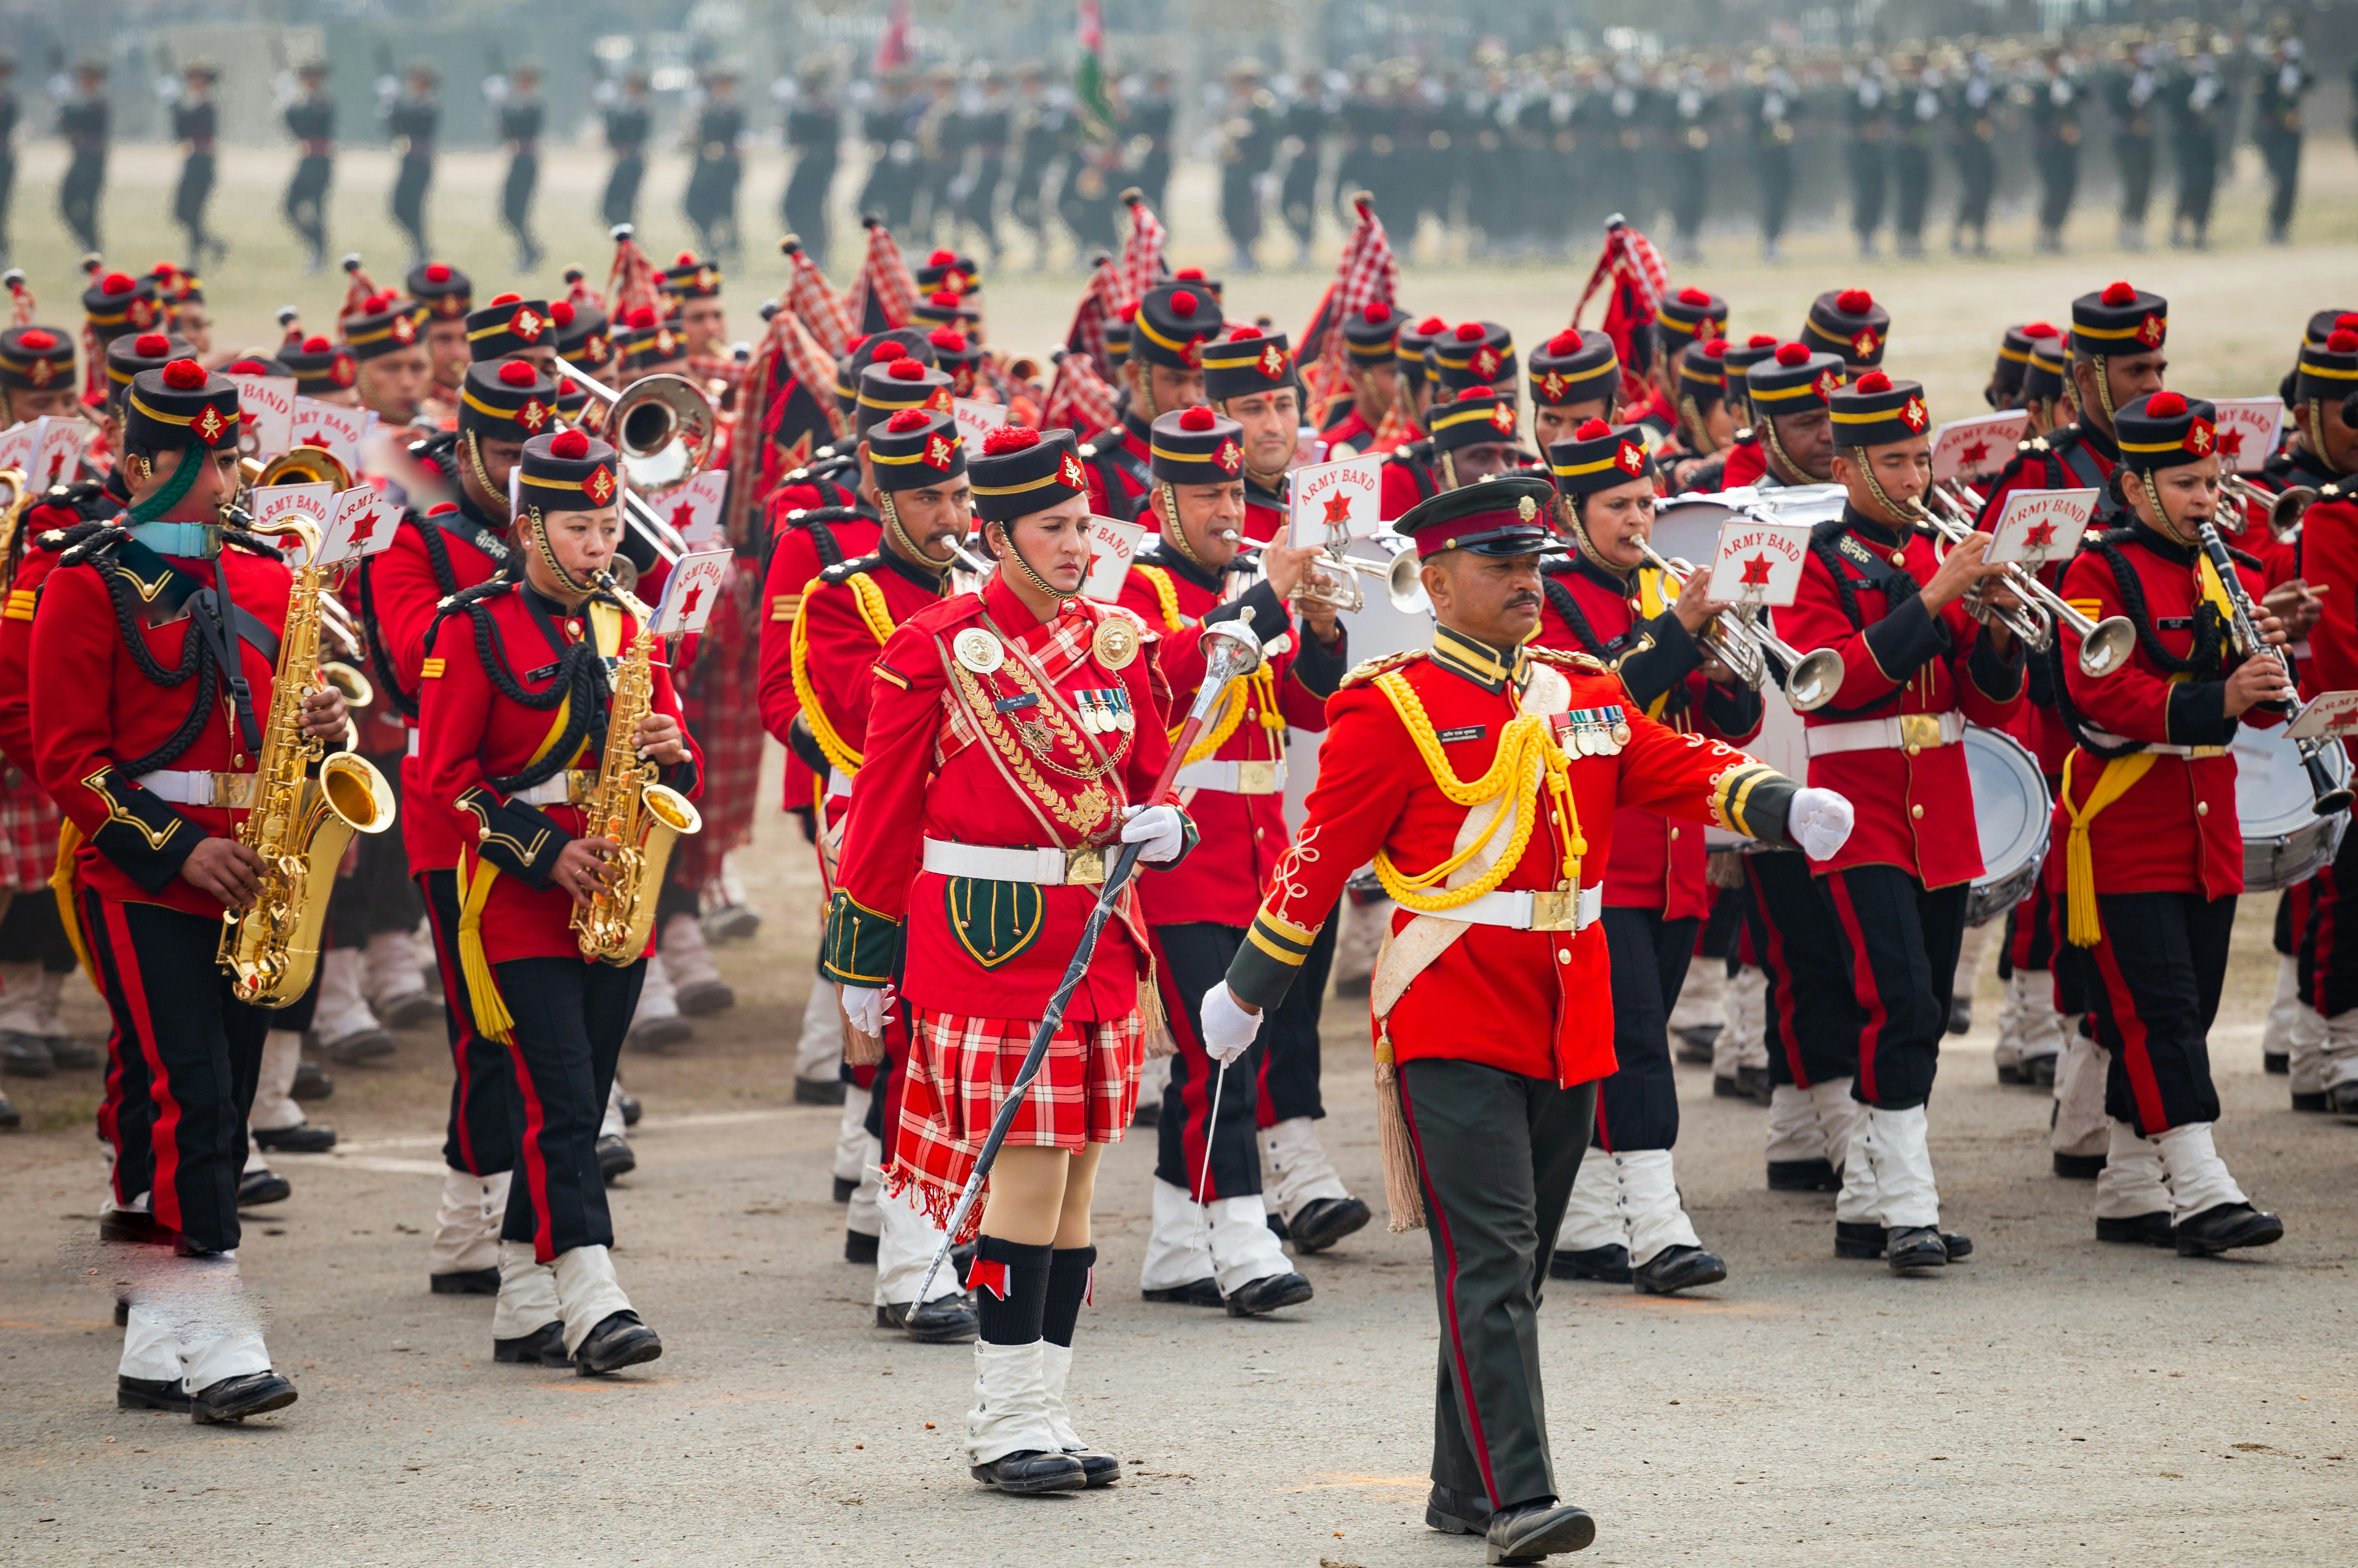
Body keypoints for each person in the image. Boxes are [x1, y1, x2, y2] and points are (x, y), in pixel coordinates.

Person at [1196, 472, 1850, 1560]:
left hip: (1568, 1004)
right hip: (1449, 1003)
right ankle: (1519, 1499)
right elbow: (1316, 863)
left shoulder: (1580, 683)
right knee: (1492, 1258)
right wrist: (1247, 990)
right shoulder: (1388, 702)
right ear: (1436, 582)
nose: (1525, 585)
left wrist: (1775, 800)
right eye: (1500, 569)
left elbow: (1663, 763)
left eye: (1532, 566)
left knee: (1514, 1263)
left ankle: (1460, 1487)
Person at [822, 424, 1193, 1494]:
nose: (1078, 545)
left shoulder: (1117, 639)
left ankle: (1048, 1405)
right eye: (1054, 528)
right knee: (1024, 1186)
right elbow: (883, 818)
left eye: (1083, 524)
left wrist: (1168, 827)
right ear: (995, 535)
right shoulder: (934, 644)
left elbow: (1141, 779)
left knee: (1077, 1190)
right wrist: (861, 956)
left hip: (1096, 948)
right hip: (984, 943)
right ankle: (1002, 1417)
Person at [34, 359, 349, 1421]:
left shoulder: (266, 577)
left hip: (256, 872)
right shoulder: (87, 581)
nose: (225, 478)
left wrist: (321, 731)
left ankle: (157, 1341)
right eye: (198, 461)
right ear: (137, 466)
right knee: (193, 1095)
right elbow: (67, 761)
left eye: (227, 455)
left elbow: (270, 721)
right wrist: (175, 849)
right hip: (143, 878)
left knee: (219, 1101)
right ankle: (218, 1332)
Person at [416, 425, 699, 1373]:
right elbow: (446, 780)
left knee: (573, 1093)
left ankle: (523, 1296)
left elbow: (678, 753)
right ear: (527, 527)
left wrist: (675, 749)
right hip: (519, 893)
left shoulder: (627, 621)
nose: (601, 544)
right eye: (580, 526)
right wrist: (543, 850)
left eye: (611, 523)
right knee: (567, 1099)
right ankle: (592, 1288)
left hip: (618, 884)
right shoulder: (473, 624)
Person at [1777, 369, 2024, 1272]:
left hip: (1940, 802)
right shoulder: (1815, 558)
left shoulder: (1936, 555)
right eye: (1895, 460)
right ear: (1846, 467)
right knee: (1900, 996)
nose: (1917, 477)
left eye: (1923, 458)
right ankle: (1908, 1204)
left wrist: (1995, 629)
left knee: (1923, 999)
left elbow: (1987, 702)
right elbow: (1832, 677)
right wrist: (1936, 599)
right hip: (1858, 804)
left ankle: (1863, 1203)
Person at [1115, 404, 1355, 1313]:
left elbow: (1301, 708)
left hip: (1258, 853)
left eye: (1230, 489)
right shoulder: (1132, 588)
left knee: (1222, 1046)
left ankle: (1178, 1244)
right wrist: (1265, 598)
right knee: (1222, 1049)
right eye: (1205, 492)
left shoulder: (1256, 580)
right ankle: (1246, 1236)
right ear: (1160, 500)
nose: (1226, 508)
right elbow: (1170, 672)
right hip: (1180, 855)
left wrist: (1323, 632)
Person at [2050, 390, 2288, 1254]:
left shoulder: (2224, 570)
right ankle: (2200, 1186)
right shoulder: (2095, 572)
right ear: (2133, 483)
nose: (2206, 500)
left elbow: (2249, 714)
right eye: (2185, 482)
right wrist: (2216, 694)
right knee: (2164, 1011)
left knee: (2187, 1002)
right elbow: (2101, 694)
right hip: (2124, 817)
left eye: (2213, 482)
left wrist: (2267, 672)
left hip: (2205, 821)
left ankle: (2128, 1181)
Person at [1538, 421, 1764, 1294]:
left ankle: (1589, 1218)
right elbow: (1594, 692)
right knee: (1634, 1038)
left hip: (1673, 852)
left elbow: (1733, 727)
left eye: (1645, 503)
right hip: (1600, 848)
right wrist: (1679, 631)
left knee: (1635, 1031)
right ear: (1572, 512)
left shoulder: (1667, 586)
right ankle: (1659, 1225)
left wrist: (1732, 656)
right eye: (1618, 507)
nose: (1638, 521)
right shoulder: (1552, 596)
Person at [359, 358, 560, 1293]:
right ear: (467, 446)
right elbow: (412, 660)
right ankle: (472, 1217)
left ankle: (508, 1216)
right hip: (461, 811)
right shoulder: (419, 539)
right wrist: (525, 577)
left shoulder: (571, 528)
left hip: (570, 814)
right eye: (510, 455)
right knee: (488, 1023)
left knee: (558, 1028)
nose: (525, 474)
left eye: (537, 454)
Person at [788, 405, 978, 1340]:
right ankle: (911, 1259)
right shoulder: (843, 596)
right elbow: (868, 712)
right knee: (908, 1045)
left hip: (981, 844)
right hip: (883, 835)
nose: (950, 517)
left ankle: (925, 1224)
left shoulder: (990, 595)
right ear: (881, 498)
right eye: (928, 499)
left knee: (971, 1046)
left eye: (957, 494)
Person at [2273, 324, 2358, 1114]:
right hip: (2324, 729)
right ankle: (2326, 1052)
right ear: (2306, 415)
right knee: (2336, 892)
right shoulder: (2299, 502)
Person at [1081, 281, 1221, 521]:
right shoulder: (1096, 471)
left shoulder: (1220, 454)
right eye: (1175, 380)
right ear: (1135, 376)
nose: (1192, 398)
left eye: (1200, 380)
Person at [2253, 33, 2312, 246]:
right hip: (2274, 134)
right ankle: (2274, 223)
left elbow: (2311, 81)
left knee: (2292, 183)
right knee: (2282, 180)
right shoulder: (2268, 73)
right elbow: (2265, 103)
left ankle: (2284, 225)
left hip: (2292, 133)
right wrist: (2284, 115)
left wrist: (2298, 62)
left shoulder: (2294, 70)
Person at [685, 67, 745, 266]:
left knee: (725, 210)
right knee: (693, 205)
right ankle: (711, 244)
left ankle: (730, 250)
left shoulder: (732, 110)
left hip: (725, 167)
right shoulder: (704, 109)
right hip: (705, 165)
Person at [169, 60, 224, 272]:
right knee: (181, 212)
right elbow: (181, 132)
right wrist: (174, 107)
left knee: (194, 211)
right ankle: (213, 244)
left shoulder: (208, 105)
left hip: (203, 162)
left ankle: (193, 256)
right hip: (192, 160)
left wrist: (175, 105)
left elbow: (192, 120)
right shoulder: (192, 104)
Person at [282, 60, 337, 273]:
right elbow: (297, 129)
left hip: (321, 161)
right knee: (289, 207)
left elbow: (311, 119)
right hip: (306, 159)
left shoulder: (324, 101)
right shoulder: (306, 102)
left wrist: (292, 105)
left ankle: (321, 254)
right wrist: (287, 107)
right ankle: (316, 245)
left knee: (317, 209)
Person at [781, 63, 839, 261]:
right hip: (806, 162)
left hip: (820, 164)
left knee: (814, 208)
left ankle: (817, 251)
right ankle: (806, 245)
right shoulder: (805, 106)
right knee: (791, 205)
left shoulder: (826, 107)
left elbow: (829, 137)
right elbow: (793, 134)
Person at [2028, 47, 2084, 254]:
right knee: (2053, 188)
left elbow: (2085, 96)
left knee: (2069, 187)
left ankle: (2057, 229)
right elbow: (2037, 116)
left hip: (2067, 146)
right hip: (2048, 146)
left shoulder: (2068, 82)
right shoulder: (2038, 85)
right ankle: (2047, 230)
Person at [386, 62, 441, 265]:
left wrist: (395, 102)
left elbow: (413, 120)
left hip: (421, 162)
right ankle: (421, 247)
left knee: (415, 208)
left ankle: (421, 250)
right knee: (397, 208)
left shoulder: (429, 105)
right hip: (408, 160)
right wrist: (389, 106)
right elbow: (397, 128)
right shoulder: (413, 105)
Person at [494, 61, 546, 272]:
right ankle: (530, 248)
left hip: (527, 161)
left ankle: (529, 251)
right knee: (508, 212)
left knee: (519, 211)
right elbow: (505, 133)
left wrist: (501, 106)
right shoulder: (518, 106)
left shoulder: (534, 106)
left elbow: (521, 123)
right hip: (517, 159)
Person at [58, 58, 109, 255]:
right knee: (65, 204)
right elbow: (64, 126)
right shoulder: (81, 103)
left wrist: (64, 104)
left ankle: (94, 251)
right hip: (79, 159)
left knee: (89, 209)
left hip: (94, 161)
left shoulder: (99, 103)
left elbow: (82, 117)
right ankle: (88, 246)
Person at [601, 71, 650, 232]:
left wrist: (609, 110)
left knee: (625, 206)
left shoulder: (641, 110)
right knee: (609, 208)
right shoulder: (626, 109)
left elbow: (627, 126)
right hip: (623, 161)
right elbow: (613, 136)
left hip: (633, 162)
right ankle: (628, 242)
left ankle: (630, 244)